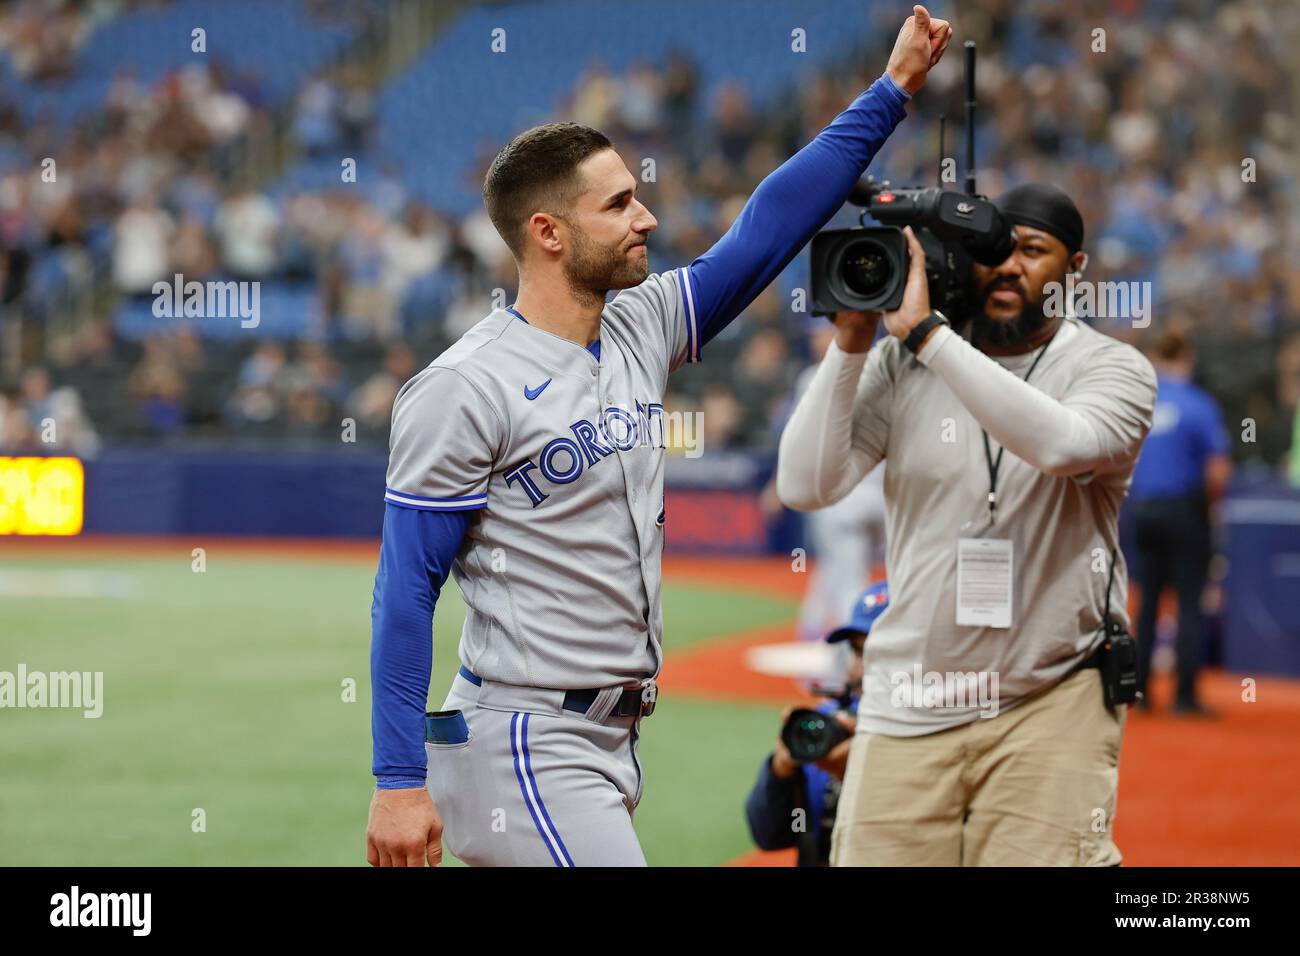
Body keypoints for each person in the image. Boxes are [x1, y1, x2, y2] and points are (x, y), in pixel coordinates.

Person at [365, 8, 953, 867]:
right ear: (549, 233)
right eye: (618, 204)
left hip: (606, 737)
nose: (645, 217)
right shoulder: (464, 386)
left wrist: (892, 90)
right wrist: (395, 778)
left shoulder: (638, 324)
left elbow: (769, 225)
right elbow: (404, 589)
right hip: (524, 736)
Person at [776, 183, 1158, 866]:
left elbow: (1063, 445)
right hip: (909, 696)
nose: (1008, 266)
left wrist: (930, 337)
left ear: (1075, 267)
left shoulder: (1112, 368)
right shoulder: (902, 363)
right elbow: (806, 485)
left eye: (1033, 251)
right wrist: (851, 341)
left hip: (1051, 696)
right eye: (992, 250)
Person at [745, 581, 888, 867]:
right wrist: (780, 771)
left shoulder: (933, 732)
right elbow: (768, 835)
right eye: (858, 652)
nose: (863, 667)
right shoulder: (825, 725)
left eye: (879, 652)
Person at [1129, 326, 1232, 715]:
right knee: (1189, 603)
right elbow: (1218, 471)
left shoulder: (1143, 403)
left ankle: (1139, 694)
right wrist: (1209, 508)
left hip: (1143, 511)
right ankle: (1184, 697)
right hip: (1185, 511)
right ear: (1187, 358)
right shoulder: (1200, 404)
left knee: (1149, 601)